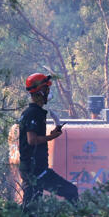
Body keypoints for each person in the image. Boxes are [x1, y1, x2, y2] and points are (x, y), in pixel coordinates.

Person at [18, 73, 78, 206]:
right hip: (36, 170)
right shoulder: (33, 113)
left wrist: (50, 134)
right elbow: (31, 140)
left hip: (32, 170)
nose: (49, 92)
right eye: (47, 89)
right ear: (40, 92)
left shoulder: (32, 112)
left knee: (31, 209)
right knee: (71, 191)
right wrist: (52, 136)